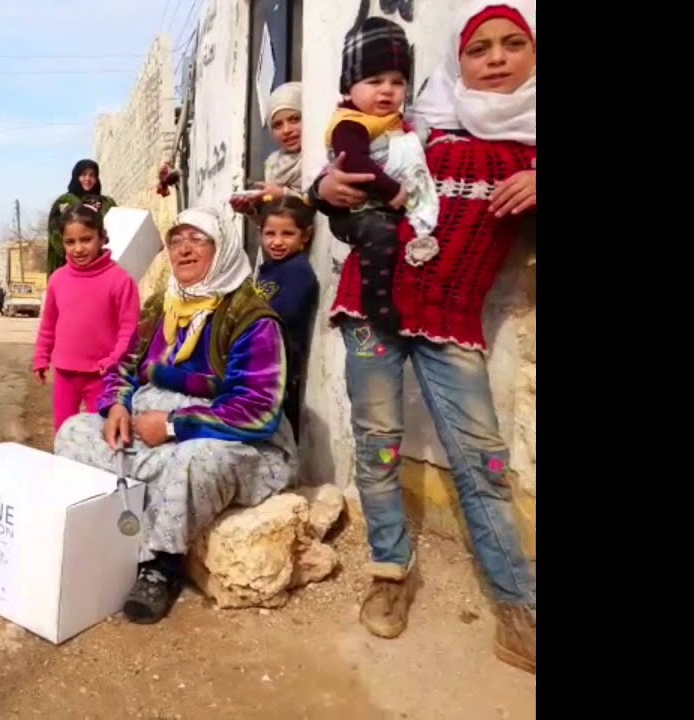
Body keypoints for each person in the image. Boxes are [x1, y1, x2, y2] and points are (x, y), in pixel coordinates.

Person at [308, 0, 536, 673]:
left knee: (483, 461)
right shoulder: (418, 124)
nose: (495, 58)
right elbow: (345, 165)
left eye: (512, 44)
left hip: (452, 318)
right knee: (377, 449)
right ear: (457, 61)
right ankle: (390, 571)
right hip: (370, 309)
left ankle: (517, 605)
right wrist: (325, 187)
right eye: (479, 48)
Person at [54, 206, 297, 625]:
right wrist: (115, 406)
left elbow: (257, 410)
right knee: (74, 430)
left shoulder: (251, 317)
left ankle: (160, 566)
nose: (183, 251)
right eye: (175, 241)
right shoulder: (159, 307)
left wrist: (171, 427)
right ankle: (125, 531)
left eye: (197, 240)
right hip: (150, 428)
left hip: (232, 441)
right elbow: (123, 369)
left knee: (193, 462)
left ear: (221, 249)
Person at [323, 16, 439, 335]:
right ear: (350, 86)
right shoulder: (350, 124)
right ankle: (378, 302)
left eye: (397, 82)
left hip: (380, 207)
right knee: (381, 234)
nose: (387, 91)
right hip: (358, 212)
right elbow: (358, 163)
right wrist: (393, 192)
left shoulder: (393, 122)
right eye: (374, 82)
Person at [32, 203, 140, 434]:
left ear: (102, 238)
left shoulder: (120, 280)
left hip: (102, 376)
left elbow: (129, 330)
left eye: (86, 239)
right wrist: (41, 356)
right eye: (70, 242)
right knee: (63, 433)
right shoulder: (58, 280)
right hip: (65, 374)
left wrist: (113, 360)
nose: (78, 248)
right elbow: (49, 323)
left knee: (99, 435)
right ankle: (62, 470)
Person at [255, 197, 320, 439]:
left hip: (280, 365)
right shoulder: (269, 269)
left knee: (277, 427)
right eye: (270, 233)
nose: (277, 242)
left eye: (287, 234)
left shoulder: (298, 271)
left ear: (305, 236)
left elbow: (282, 315)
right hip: (261, 362)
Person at [231, 81, 306, 220]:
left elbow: (321, 212)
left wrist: (284, 194)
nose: (287, 130)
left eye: (295, 119)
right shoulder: (273, 164)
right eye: (277, 125)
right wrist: (251, 210)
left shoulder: (324, 156)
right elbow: (278, 224)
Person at [47, 160, 117, 275]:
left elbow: (118, 228)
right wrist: (78, 255)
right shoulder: (64, 202)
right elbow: (56, 237)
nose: (88, 179)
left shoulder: (107, 203)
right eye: (83, 175)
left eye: (92, 175)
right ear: (76, 176)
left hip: (101, 266)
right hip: (69, 267)